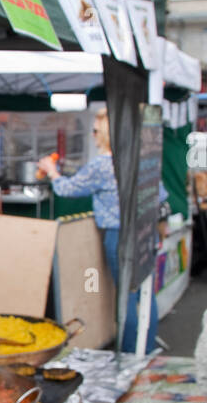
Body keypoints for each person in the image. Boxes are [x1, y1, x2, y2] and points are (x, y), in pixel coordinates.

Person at [37, 106, 162, 354]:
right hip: (145, 231)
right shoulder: (141, 158)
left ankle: (130, 357)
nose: (92, 135)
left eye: (95, 130)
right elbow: (160, 194)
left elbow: (67, 189)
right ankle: (147, 350)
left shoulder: (103, 165)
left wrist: (52, 172)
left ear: (106, 132)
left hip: (119, 236)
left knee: (126, 299)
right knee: (145, 295)